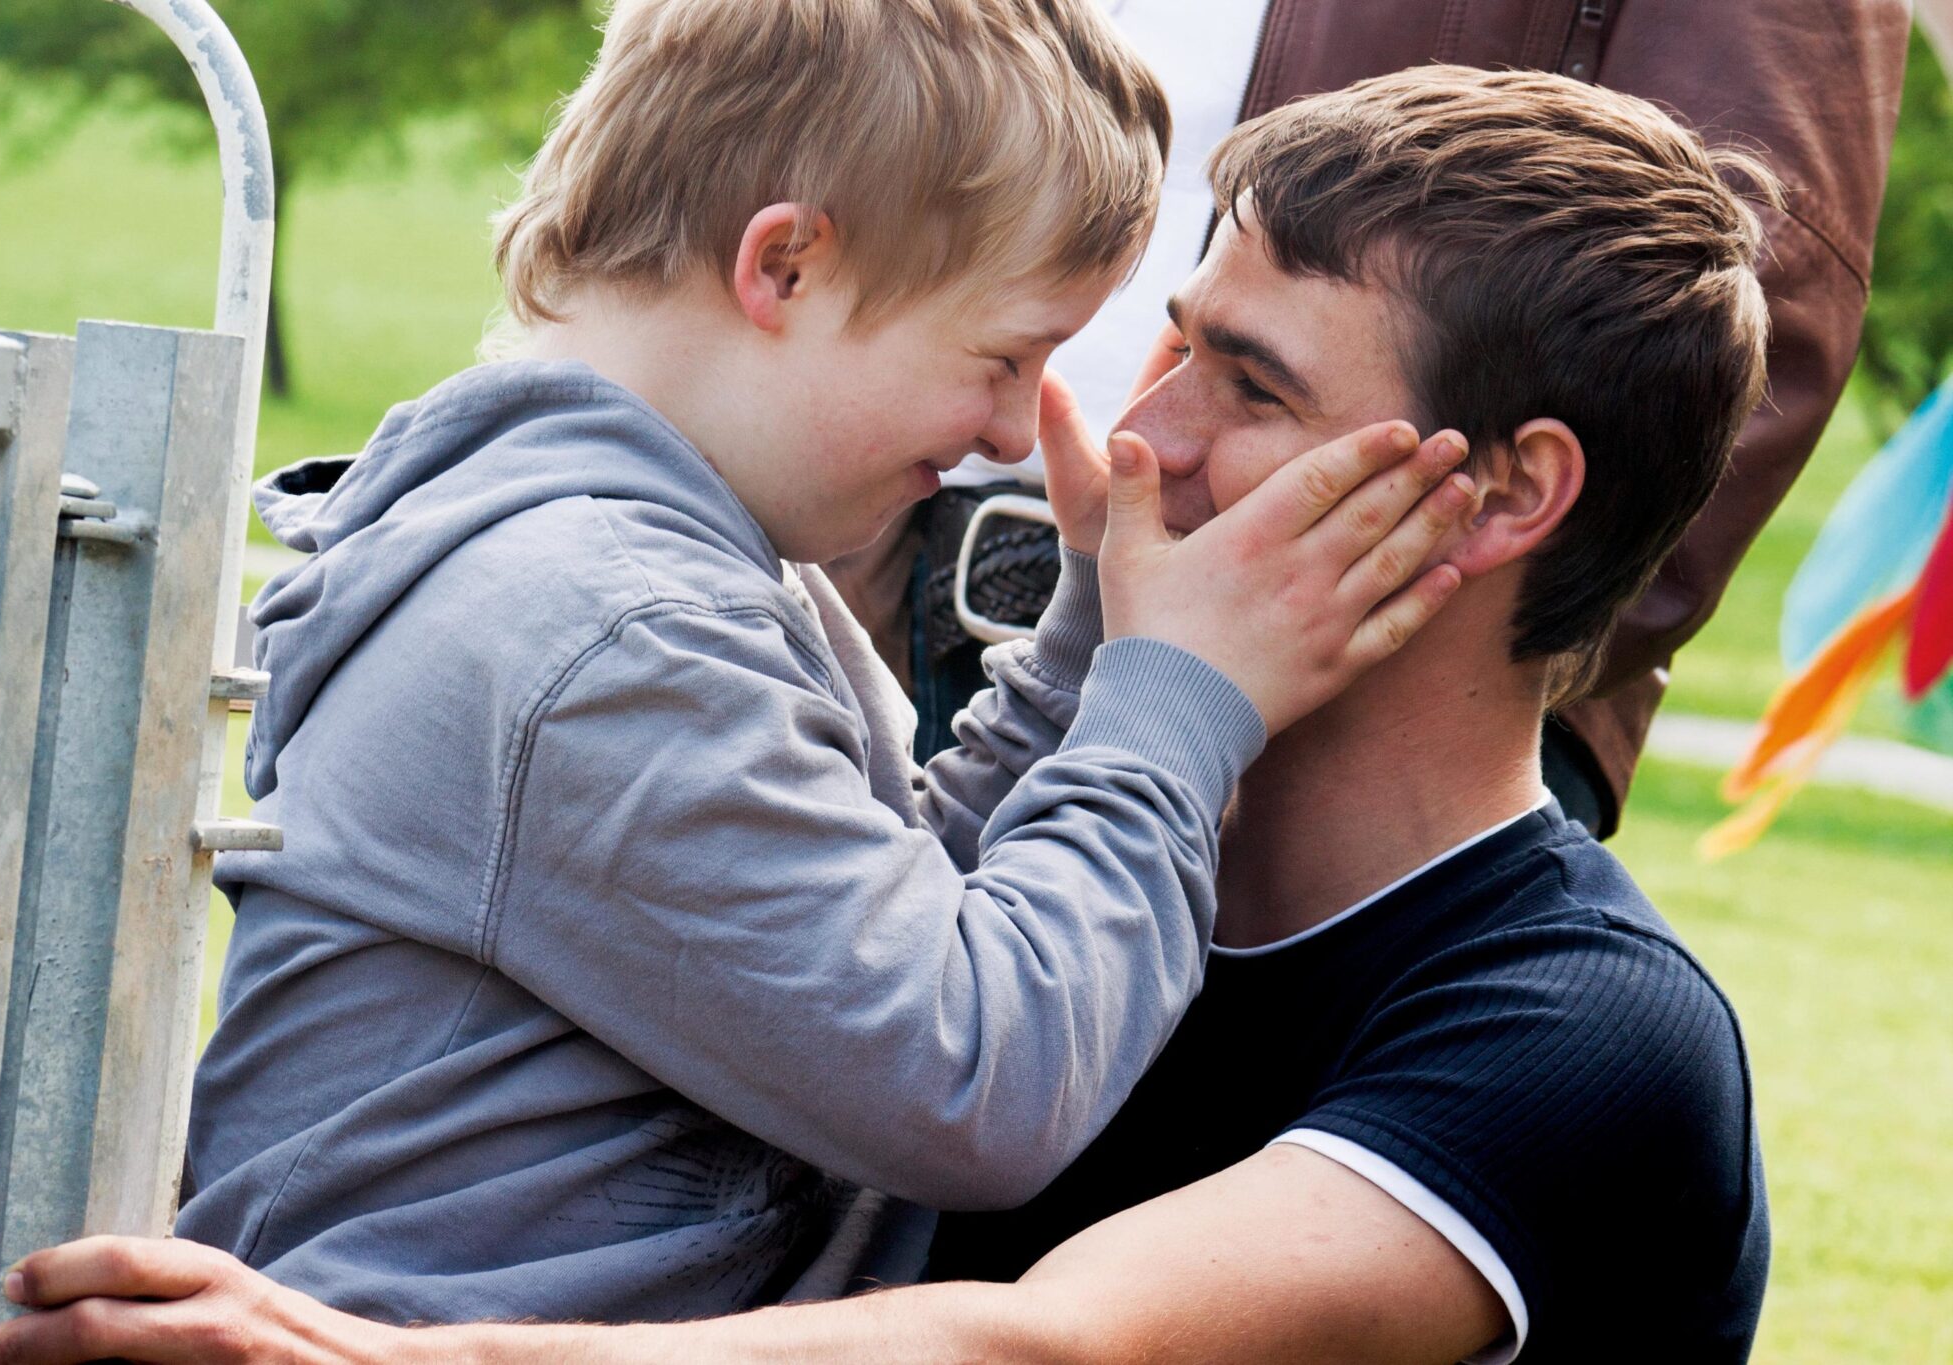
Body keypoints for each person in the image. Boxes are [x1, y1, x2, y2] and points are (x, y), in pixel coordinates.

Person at [0, 65, 1778, 1363]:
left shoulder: (1581, 1040)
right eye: (1166, 347)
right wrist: (1109, 657)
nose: (1126, 440)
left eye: (1246, 384)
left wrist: (370, 1360)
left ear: (1499, 498)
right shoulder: (1083, 875)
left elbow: (1041, 1348)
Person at [155, 0, 1468, 1335]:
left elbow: (891, 925)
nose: (1009, 429)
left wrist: (1097, 636)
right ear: (783, 267)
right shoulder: (612, 636)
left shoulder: (657, 571)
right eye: (1002, 355)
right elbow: (975, 1081)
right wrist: (1181, 701)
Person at [853, 0, 1909, 837]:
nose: (1145, 438)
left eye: (1250, 382)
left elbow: (1752, 288)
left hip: (1325, 682)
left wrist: (1374, 679)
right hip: (926, 572)